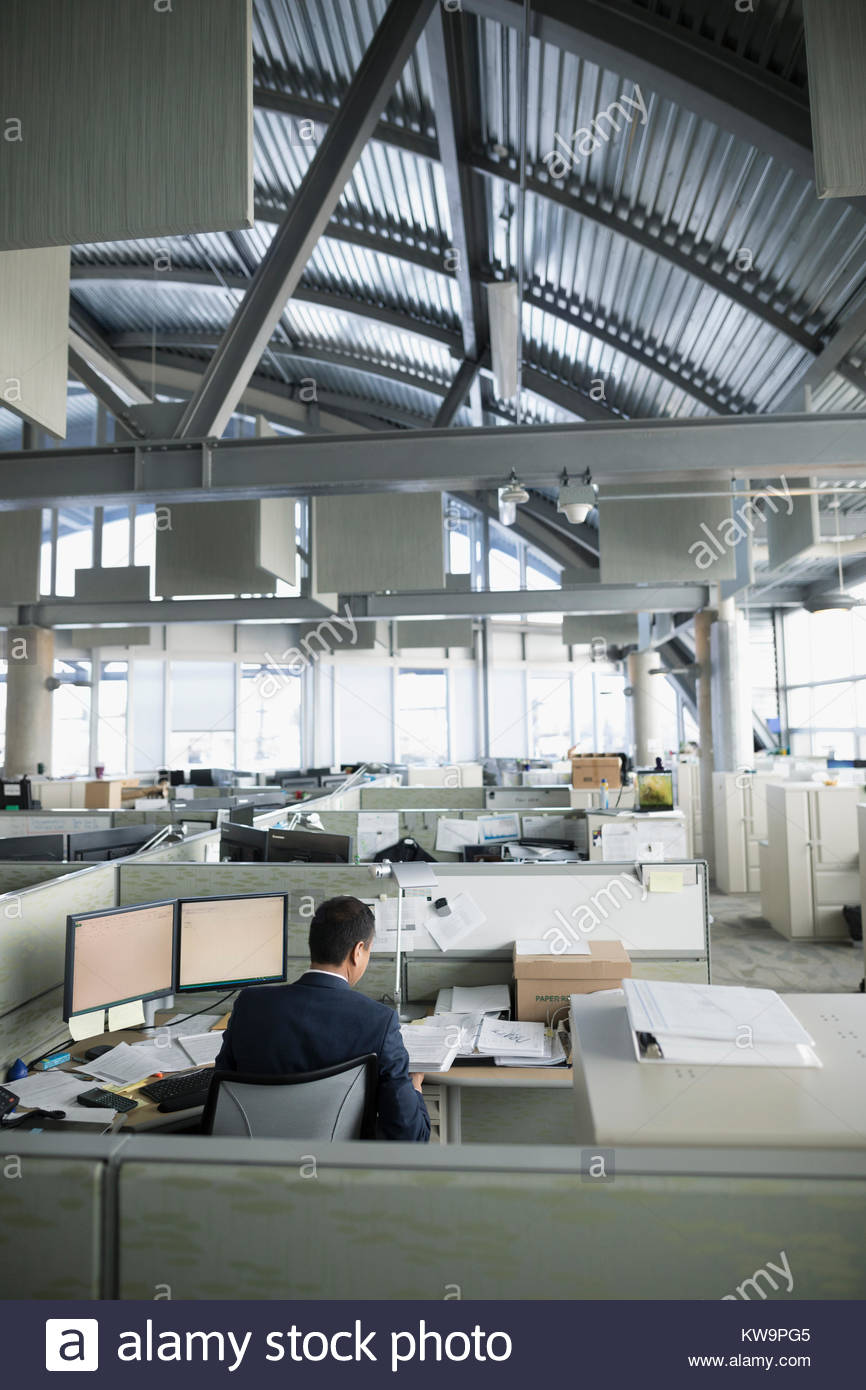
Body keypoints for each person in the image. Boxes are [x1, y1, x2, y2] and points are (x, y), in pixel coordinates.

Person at [214, 895, 429, 1142]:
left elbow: (222, 1092)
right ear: (358, 951)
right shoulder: (379, 1021)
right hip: (338, 1170)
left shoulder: (249, 1004)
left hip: (255, 1164)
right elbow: (409, 1136)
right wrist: (415, 1089)